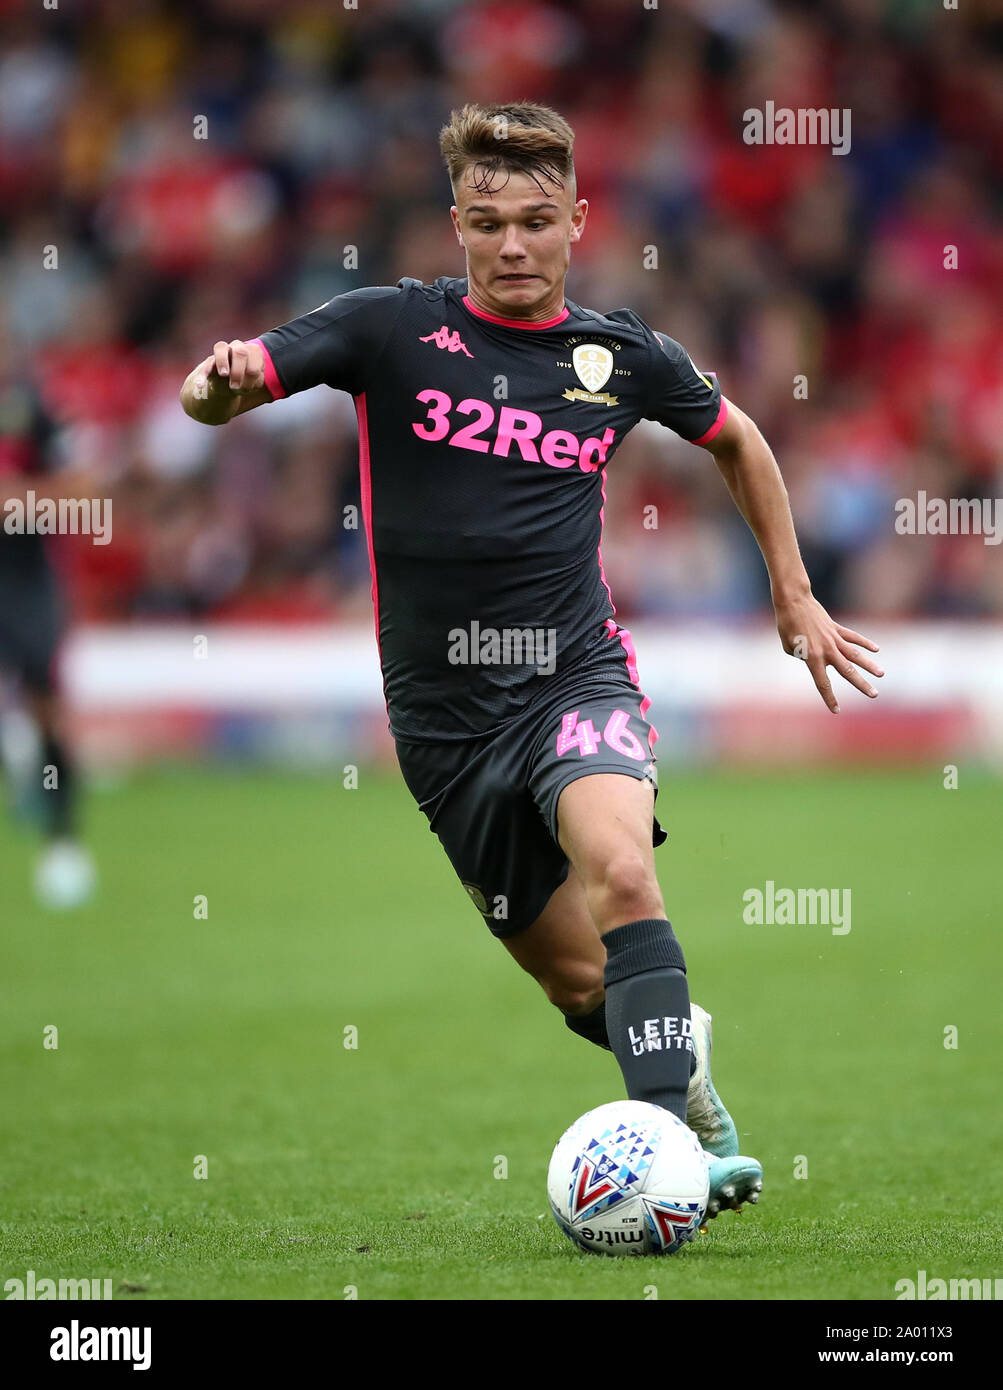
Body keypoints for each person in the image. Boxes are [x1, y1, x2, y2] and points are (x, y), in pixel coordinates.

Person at [180, 103, 883, 1232]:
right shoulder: (387, 330)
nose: (514, 244)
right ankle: (683, 1075)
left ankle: (671, 1161)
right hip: (444, 726)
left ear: (575, 224)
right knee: (581, 986)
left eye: (537, 222)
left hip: (573, 678)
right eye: (490, 222)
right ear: (456, 226)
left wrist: (792, 593)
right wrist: (214, 390)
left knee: (623, 874)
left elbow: (740, 439)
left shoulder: (619, 357)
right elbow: (225, 385)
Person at [0, 353, 97, 909]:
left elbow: (82, 495)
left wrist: (18, 500)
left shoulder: (34, 408)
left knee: (46, 708)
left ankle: (63, 841)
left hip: (24, 582)